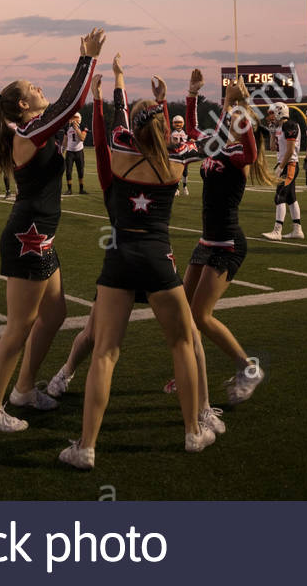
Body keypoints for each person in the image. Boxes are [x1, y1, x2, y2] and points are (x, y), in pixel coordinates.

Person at [58, 52, 216, 470]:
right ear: (166, 126)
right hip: (159, 259)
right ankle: (192, 433)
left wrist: (119, 79)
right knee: (182, 344)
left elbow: (119, 118)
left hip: (119, 257)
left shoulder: (121, 152)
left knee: (106, 352)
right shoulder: (176, 162)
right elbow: (194, 135)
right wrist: (186, 97)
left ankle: (87, 446)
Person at [0, 29, 104, 434]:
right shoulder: (29, 133)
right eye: (32, 87)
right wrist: (86, 60)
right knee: (19, 327)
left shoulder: (33, 130)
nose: (38, 87)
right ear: (23, 105)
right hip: (27, 241)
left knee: (55, 315)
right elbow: (68, 106)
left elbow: (66, 108)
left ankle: (24, 390)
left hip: (42, 240)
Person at [181, 69, 273, 408]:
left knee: (201, 316)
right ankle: (188, 369)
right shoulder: (219, 147)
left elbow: (246, 151)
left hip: (227, 244)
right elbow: (193, 131)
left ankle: (248, 368)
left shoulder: (238, 157)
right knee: (184, 314)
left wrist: (236, 106)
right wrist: (193, 94)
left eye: (236, 122)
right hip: (206, 242)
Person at [262, 102, 304, 240]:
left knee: (280, 196)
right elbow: (273, 148)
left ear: (280, 111)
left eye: (272, 113)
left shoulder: (289, 125)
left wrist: (281, 167)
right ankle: (297, 230)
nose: (270, 116)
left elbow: (291, 150)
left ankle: (277, 231)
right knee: (291, 198)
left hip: (289, 164)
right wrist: (272, 133)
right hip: (284, 163)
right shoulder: (280, 126)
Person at [64, 112, 88, 195]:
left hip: (79, 151)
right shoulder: (67, 127)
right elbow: (65, 140)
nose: (72, 119)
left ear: (79, 118)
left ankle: (81, 189)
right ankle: (69, 189)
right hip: (70, 152)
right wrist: (62, 150)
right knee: (68, 171)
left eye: (75, 117)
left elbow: (82, 138)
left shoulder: (83, 126)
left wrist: (76, 128)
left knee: (80, 171)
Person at [170, 114, 190, 195]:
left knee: (185, 172)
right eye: (176, 122)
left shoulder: (186, 134)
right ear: (173, 123)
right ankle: (176, 188)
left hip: (184, 155)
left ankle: (185, 187)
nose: (178, 124)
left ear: (183, 123)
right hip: (175, 155)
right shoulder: (171, 134)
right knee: (176, 172)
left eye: (179, 122)